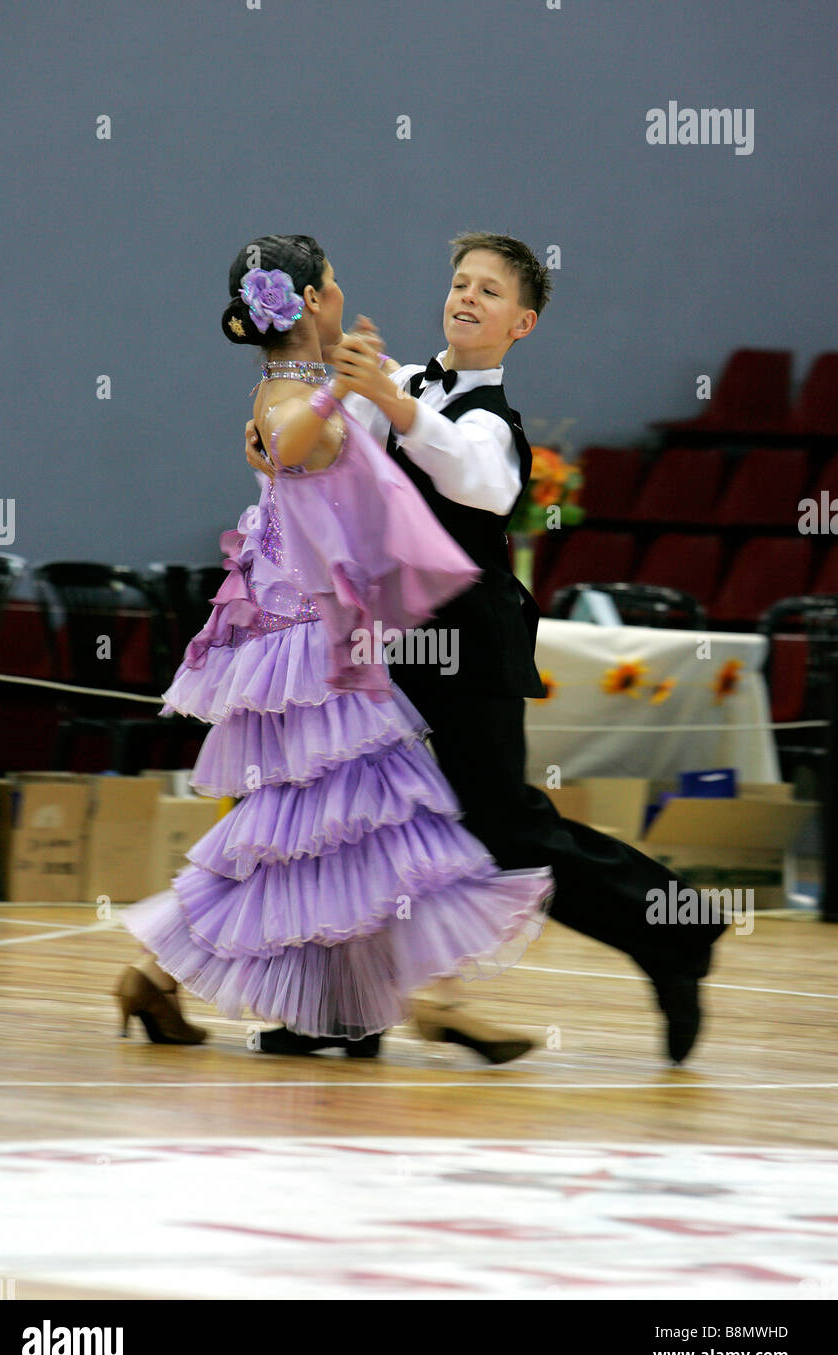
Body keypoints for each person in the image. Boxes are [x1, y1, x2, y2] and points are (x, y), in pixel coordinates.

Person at [245, 231, 727, 1065]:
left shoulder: (484, 421)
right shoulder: (393, 384)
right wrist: (278, 447)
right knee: (356, 817)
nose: (467, 297)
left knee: (502, 826)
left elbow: (485, 481)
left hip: (467, 643)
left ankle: (671, 930)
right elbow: (326, 460)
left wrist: (391, 404)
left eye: (491, 292)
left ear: (523, 324)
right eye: (460, 282)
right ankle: (342, 1013)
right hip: (385, 634)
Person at [115, 233, 554, 1065]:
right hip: (304, 642)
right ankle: (435, 1000)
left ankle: (174, 980)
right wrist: (333, 406)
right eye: (334, 282)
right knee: (371, 812)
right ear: (313, 302)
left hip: (328, 627)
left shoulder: (318, 385)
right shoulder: (293, 388)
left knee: (313, 828)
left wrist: (360, 395)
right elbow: (286, 448)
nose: (345, 289)